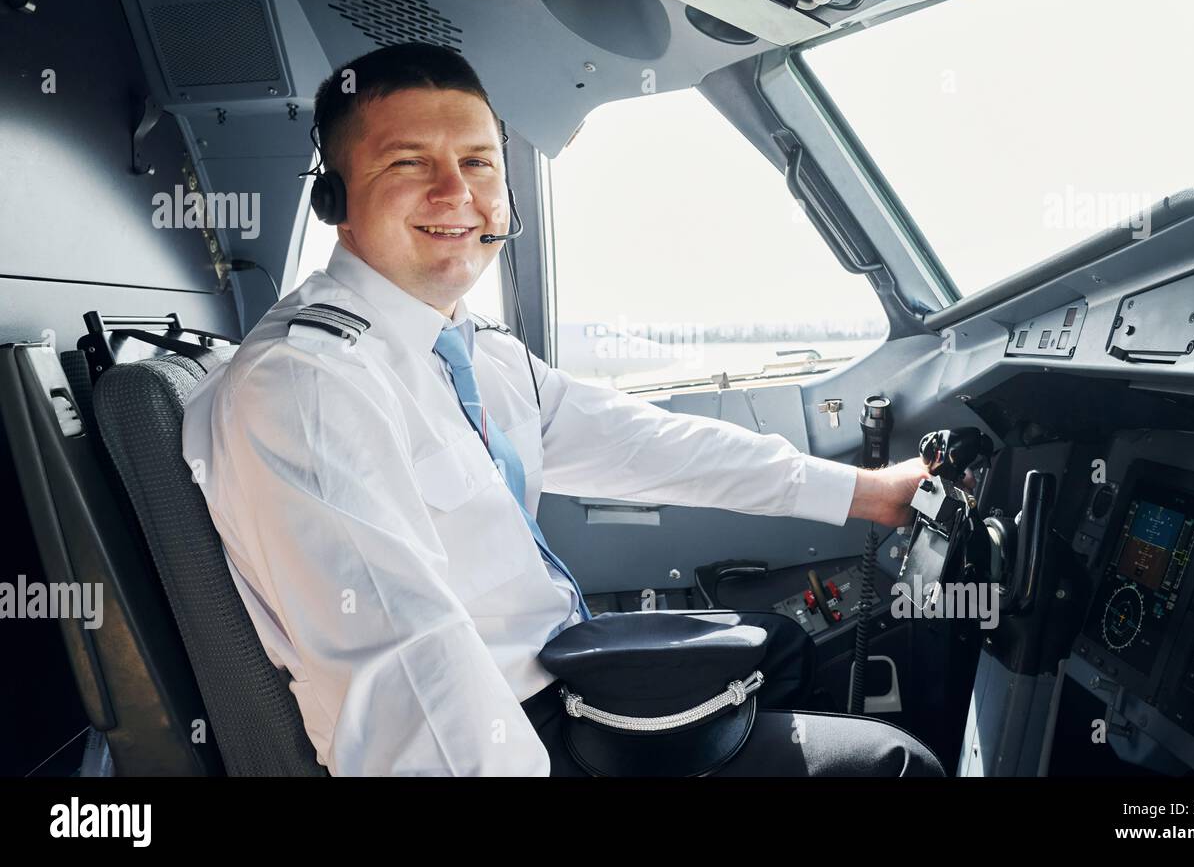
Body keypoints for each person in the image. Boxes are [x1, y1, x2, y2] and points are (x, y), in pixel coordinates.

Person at [182, 42, 943, 777]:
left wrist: (867, 494)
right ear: (335, 200)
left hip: (552, 677)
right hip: (505, 731)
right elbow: (402, 674)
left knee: (781, 652)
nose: (457, 195)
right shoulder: (312, 384)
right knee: (898, 766)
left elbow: (645, 445)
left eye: (477, 162)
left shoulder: (472, 348)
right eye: (409, 163)